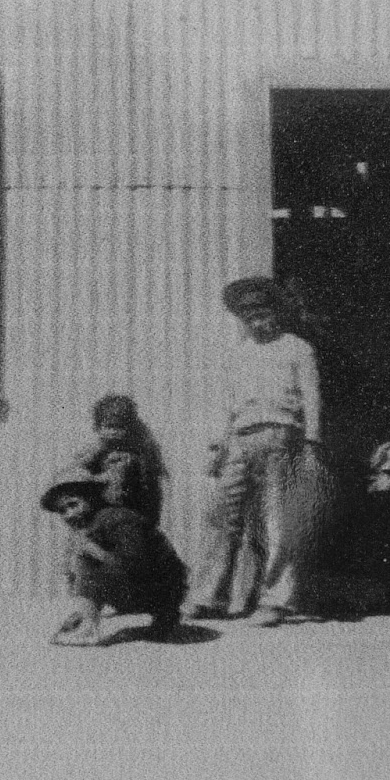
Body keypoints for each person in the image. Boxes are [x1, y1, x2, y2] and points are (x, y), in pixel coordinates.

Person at [186, 276, 335, 626]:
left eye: (264, 315)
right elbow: (229, 405)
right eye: (249, 317)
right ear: (241, 319)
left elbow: (312, 396)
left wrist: (312, 442)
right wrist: (221, 445)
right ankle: (210, 597)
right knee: (223, 516)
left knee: (276, 521)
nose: (258, 323)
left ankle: (274, 600)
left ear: (277, 313)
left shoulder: (297, 348)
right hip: (240, 440)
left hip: (282, 439)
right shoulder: (238, 353)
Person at [43, 473, 186, 646]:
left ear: (92, 498)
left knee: (86, 561)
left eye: (73, 504)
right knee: (79, 562)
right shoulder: (90, 526)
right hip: (142, 587)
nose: (69, 514)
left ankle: (88, 630)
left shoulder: (116, 518)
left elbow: (136, 563)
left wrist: (93, 551)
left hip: (162, 588)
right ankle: (86, 617)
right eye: (62, 510)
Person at [64, 394, 167, 527]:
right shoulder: (97, 451)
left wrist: (93, 480)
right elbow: (76, 470)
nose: (113, 432)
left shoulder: (129, 456)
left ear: (129, 429)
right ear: (98, 427)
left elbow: (115, 492)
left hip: (127, 516)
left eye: (119, 428)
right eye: (109, 427)